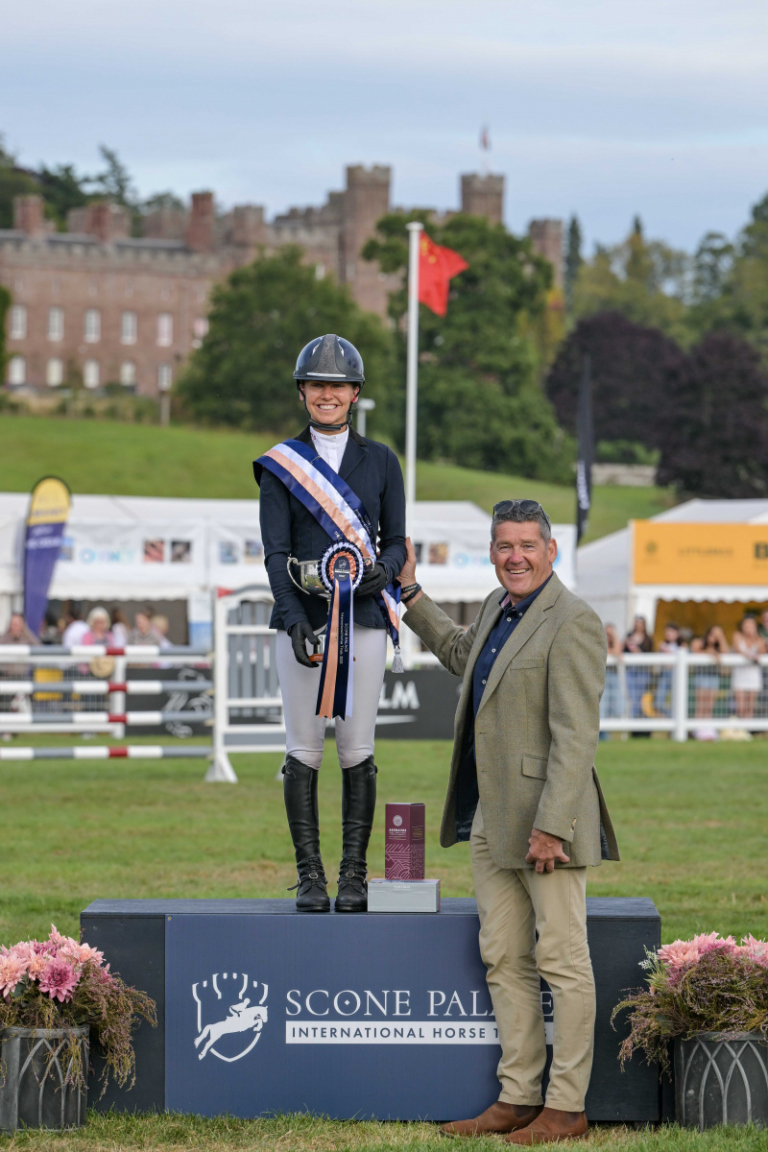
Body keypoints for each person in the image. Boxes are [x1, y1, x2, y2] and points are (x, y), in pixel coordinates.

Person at [397, 499, 619, 1145]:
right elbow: (460, 653)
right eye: (504, 545)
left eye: (527, 545)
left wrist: (552, 826)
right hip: (491, 820)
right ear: (492, 552)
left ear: (551, 550)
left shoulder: (574, 620)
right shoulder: (499, 606)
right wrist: (411, 592)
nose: (515, 556)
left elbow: (576, 737)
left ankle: (567, 1108)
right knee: (503, 957)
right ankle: (519, 1096)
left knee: (562, 962)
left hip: (547, 828)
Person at [254, 334, 406, 914]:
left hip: (362, 617)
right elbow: (275, 553)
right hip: (302, 622)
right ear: (302, 392)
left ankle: (353, 874)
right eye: (317, 384)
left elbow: (396, 540)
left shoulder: (382, 460)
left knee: (356, 746)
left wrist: (383, 570)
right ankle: (309, 875)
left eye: (337, 386)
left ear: (355, 393)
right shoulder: (281, 465)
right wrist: (293, 618)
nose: (327, 394)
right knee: (303, 748)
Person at [693, 625, 728, 740]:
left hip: (713, 677)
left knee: (709, 706)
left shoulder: (718, 648)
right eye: (713, 633)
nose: (714, 637)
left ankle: (707, 730)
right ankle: (698, 729)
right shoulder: (699, 642)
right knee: (701, 705)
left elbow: (725, 652)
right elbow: (695, 650)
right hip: (701, 676)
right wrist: (710, 652)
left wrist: (721, 637)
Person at [731, 616, 764, 721]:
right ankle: (740, 727)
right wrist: (748, 655)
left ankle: (748, 727)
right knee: (740, 706)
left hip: (753, 674)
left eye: (751, 625)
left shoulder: (759, 638)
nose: (748, 627)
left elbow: (762, 651)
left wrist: (754, 637)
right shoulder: (737, 635)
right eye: (746, 624)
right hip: (740, 673)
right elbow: (737, 649)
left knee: (750, 706)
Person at [623, 616, 652, 730]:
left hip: (642, 671)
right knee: (631, 696)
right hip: (631, 670)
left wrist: (637, 651)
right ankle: (632, 722)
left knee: (640, 697)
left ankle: (639, 723)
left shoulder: (648, 638)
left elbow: (650, 653)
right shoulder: (629, 636)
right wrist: (625, 643)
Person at [599, 623, 624, 740]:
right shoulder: (598, 643)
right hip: (602, 677)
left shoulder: (617, 643)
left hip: (613, 678)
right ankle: (602, 735)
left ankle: (606, 734)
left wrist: (614, 636)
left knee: (616, 706)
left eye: (610, 634)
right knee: (602, 706)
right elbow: (603, 652)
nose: (608, 636)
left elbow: (618, 651)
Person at [653, 622, 681, 718]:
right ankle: (670, 718)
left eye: (671, 631)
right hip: (664, 674)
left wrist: (666, 650)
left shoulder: (681, 646)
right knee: (659, 702)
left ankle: (673, 718)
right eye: (667, 631)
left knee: (676, 701)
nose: (668, 633)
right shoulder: (662, 645)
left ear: (677, 633)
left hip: (675, 676)